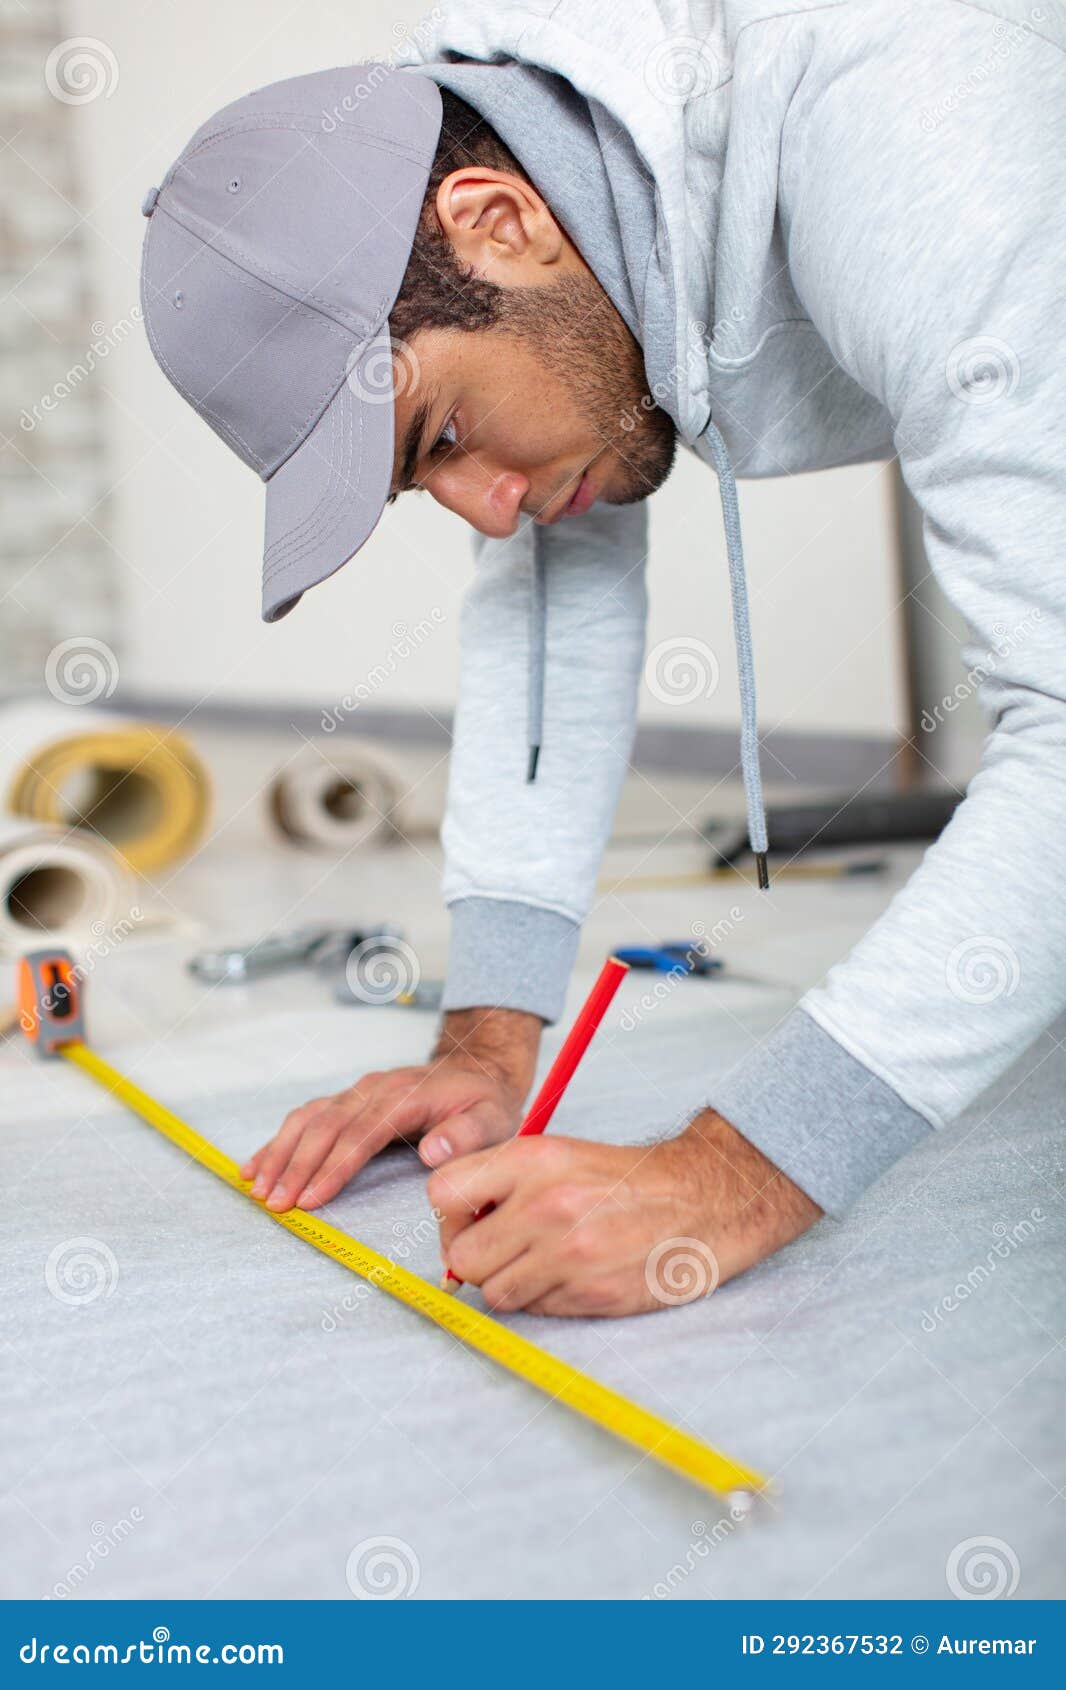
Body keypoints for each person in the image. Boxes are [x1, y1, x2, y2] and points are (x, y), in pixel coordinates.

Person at [139, 1, 1066, 1316]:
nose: (485, 513)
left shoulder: (908, 116)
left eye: (442, 432)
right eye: (422, 481)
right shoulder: (566, 196)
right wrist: (485, 1041)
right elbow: (550, 605)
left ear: (495, 221)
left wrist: (732, 1178)